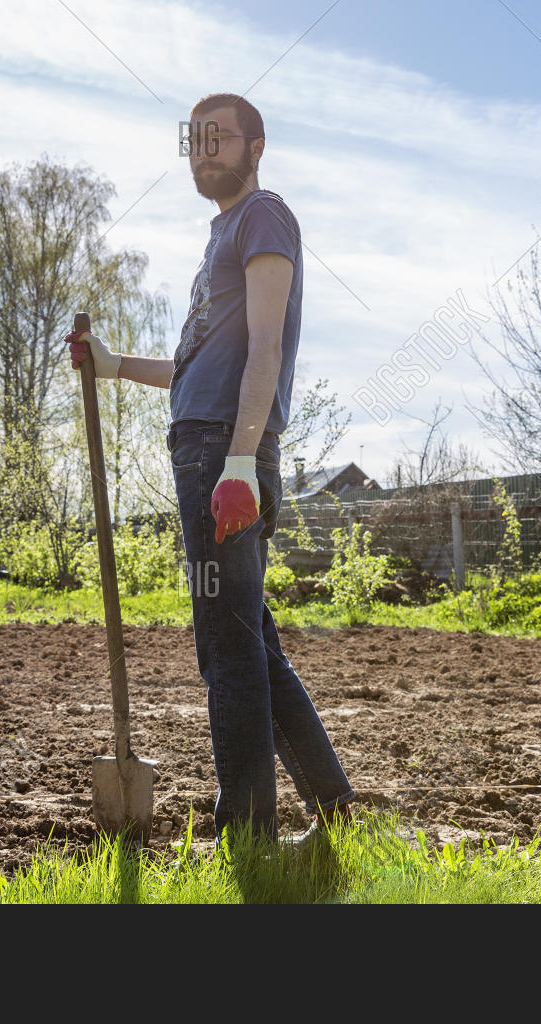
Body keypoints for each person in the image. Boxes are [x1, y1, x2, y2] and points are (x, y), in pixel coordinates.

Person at [65, 93, 354, 844]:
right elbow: (198, 366)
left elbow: (265, 349)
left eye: (218, 138)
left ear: (256, 147)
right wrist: (115, 365)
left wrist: (236, 465)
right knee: (247, 639)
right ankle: (332, 809)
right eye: (194, 139)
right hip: (209, 447)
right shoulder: (221, 237)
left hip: (224, 454)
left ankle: (247, 837)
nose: (203, 150)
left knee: (225, 646)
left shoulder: (265, 218)